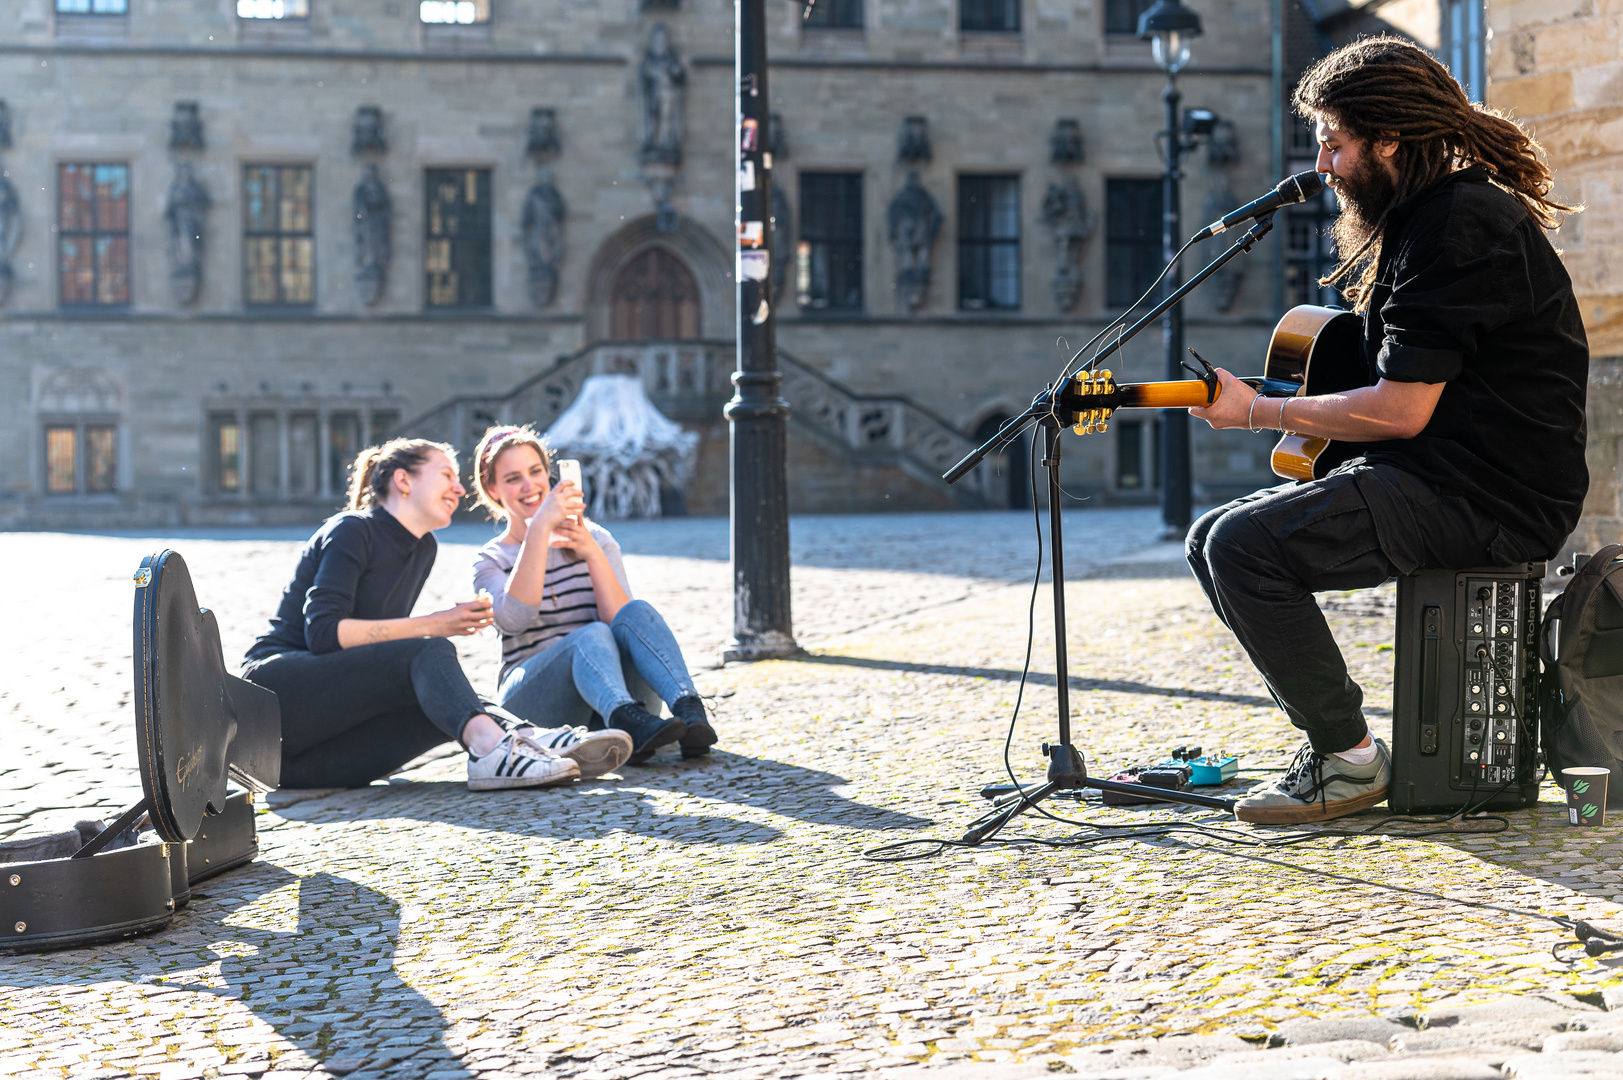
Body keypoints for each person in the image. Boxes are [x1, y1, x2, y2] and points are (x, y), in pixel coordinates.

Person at [1184, 36, 1589, 824]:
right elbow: (1402, 382)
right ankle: (1341, 749)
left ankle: (1348, 761)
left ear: (1389, 137)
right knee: (1210, 538)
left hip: (1488, 495)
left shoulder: (1457, 223)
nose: (1324, 167)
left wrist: (1258, 411)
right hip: (1438, 472)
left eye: (1334, 144)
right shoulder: (1425, 218)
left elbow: (1400, 409)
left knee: (1241, 546)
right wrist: (1275, 398)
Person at [242, 438, 628, 791]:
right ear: (403, 481)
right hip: (273, 705)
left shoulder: (423, 548)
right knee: (430, 650)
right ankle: (492, 751)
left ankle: (525, 738)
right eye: (446, 475)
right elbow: (324, 634)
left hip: (299, 765)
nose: (460, 489)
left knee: (442, 699)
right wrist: (438, 624)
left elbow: (382, 658)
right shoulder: (353, 530)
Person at [469, 424, 716, 764]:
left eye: (536, 471)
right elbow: (515, 620)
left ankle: (689, 710)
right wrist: (538, 529)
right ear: (492, 489)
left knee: (637, 611)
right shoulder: (489, 560)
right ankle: (624, 722)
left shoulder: (597, 538)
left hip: (614, 700)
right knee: (592, 634)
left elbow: (622, 625)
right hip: (533, 706)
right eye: (513, 478)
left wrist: (592, 553)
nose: (529, 485)